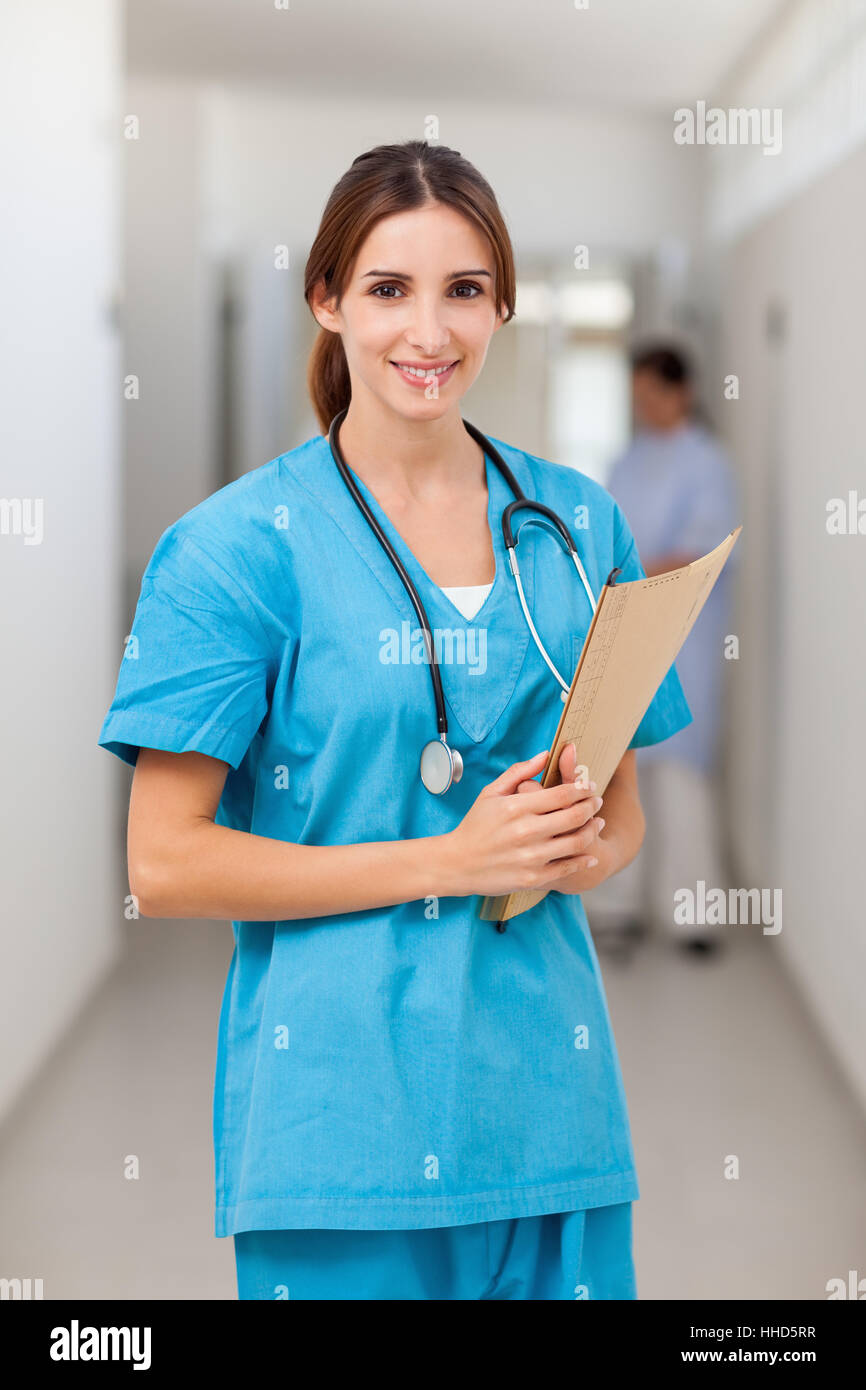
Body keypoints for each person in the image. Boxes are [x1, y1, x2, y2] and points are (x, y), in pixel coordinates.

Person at [97, 141, 692, 1301]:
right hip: (337, 1124)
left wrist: (576, 847)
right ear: (326, 301)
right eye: (387, 289)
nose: (430, 332)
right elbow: (163, 864)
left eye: (463, 290)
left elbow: (615, 819)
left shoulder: (575, 524)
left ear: (501, 304)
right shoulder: (231, 548)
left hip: (548, 1109)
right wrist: (450, 858)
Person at [587, 343, 739, 956]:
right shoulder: (628, 458)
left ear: (683, 393)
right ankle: (617, 905)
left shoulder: (707, 464)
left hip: (687, 636)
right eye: (637, 395)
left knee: (680, 773)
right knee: (625, 767)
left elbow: (704, 548)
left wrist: (634, 576)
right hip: (628, 629)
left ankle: (692, 913)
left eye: (653, 394)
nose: (643, 405)